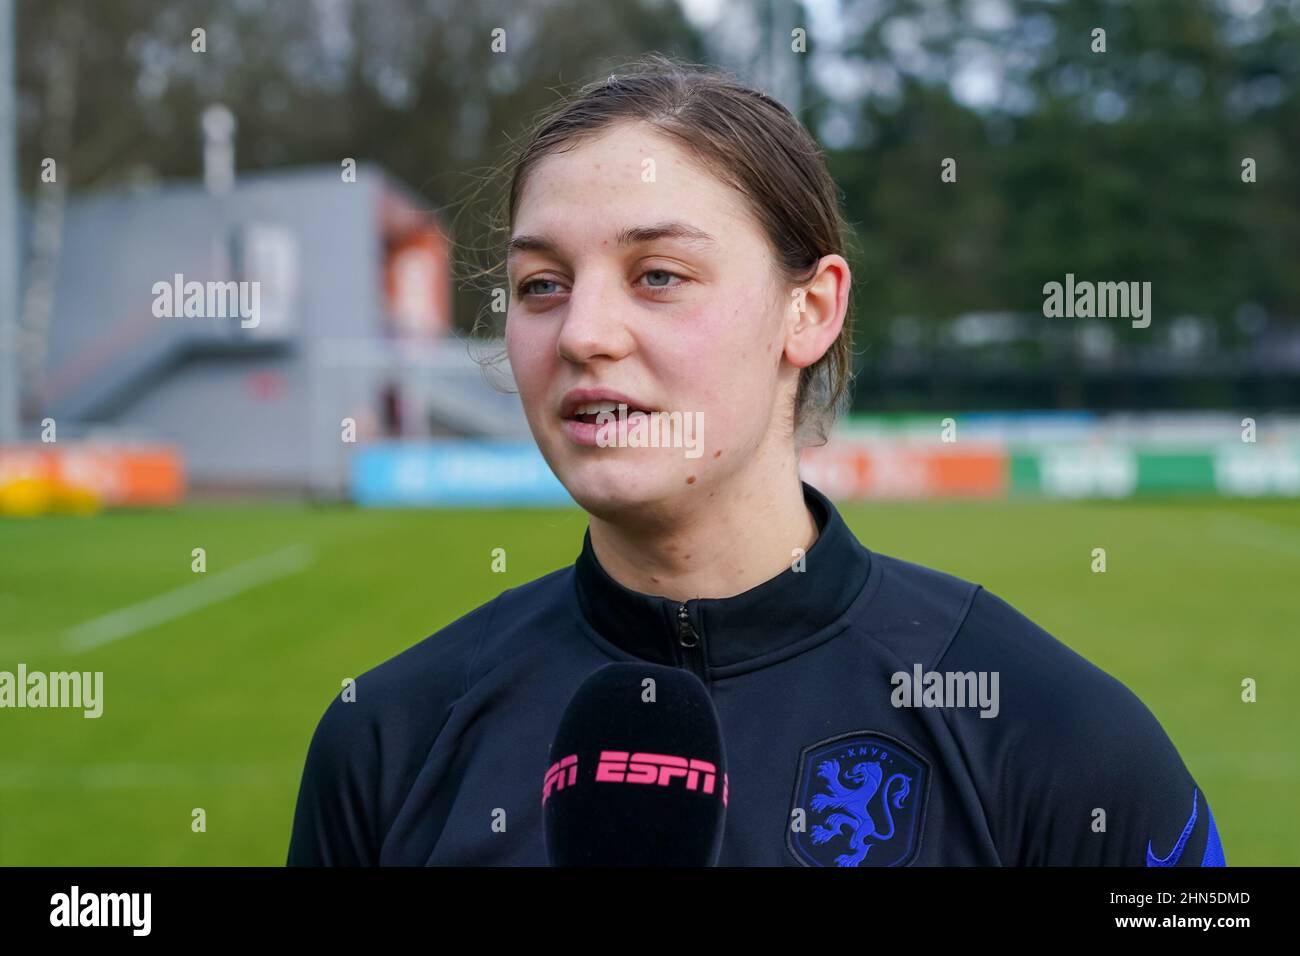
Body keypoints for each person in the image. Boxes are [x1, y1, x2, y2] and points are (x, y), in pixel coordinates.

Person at [287, 54, 1225, 867]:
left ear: (809, 311)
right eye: (542, 285)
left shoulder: (1056, 734)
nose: (582, 332)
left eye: (658, 274)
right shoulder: (389, 739)